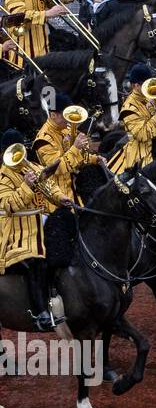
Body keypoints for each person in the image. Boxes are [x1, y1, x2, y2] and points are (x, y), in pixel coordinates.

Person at [0, 127, 72, 331]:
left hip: (39, 223)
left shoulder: (30, 166)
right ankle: (40, 313)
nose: (18, 156)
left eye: (20, 149)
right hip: (16, 231)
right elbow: (10, 205)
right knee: (36, 261)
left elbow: (50, 188)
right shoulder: (3, 178)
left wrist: (61, 198)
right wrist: (26, 186)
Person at [33, 93, 94, 205]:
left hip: (74, 190)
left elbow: (79, 157)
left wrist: (94, 158)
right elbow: (57, 168)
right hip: (56, 198)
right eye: (65, 115)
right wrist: (75, 147)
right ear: (53, 114)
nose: (69, 120)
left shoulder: (66, 128)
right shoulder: (43, 140)